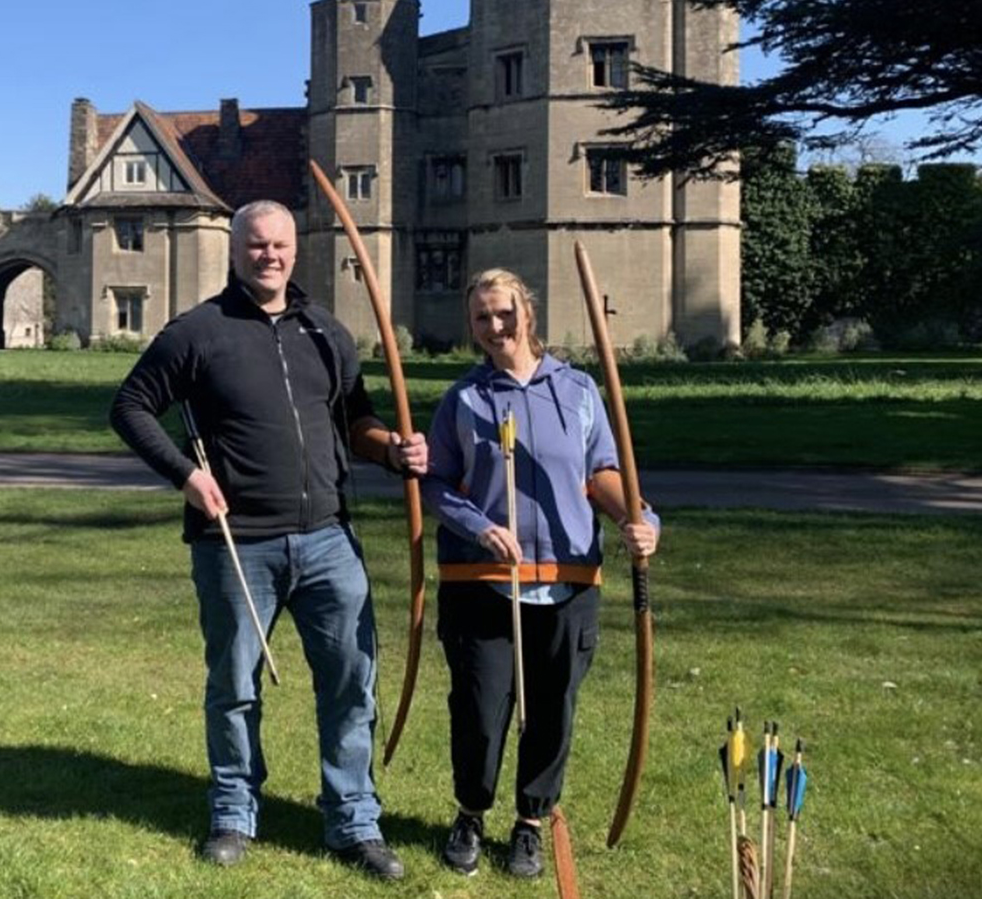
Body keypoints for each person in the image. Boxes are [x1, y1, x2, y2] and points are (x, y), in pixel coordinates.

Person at [109, 199, 426, 881]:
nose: (270, 255)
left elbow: (356, 420)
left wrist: (392, 451)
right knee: (233, 685)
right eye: (256, 245)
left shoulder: (326, 332)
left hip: (329, 539)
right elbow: (130, 406)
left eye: (280, 244)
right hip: (237, 543)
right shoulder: (198, 331)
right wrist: (187, 475)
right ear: (235, 251)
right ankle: (233, 813)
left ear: (295, 250)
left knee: (351, 684)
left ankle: (354, 821)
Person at [422, 267, 659, 879]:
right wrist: (479, 526)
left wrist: (638, 519)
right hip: (482, 582)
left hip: (566, 578)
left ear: (527, 313)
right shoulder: (464, 399)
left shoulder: (577, 390)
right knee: (480, 707)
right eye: (482, 317)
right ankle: (471, 812)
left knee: (553, 708)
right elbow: (436, 484)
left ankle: (531, 821)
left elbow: (602, 472)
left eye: (505, 312)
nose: (495, 326)